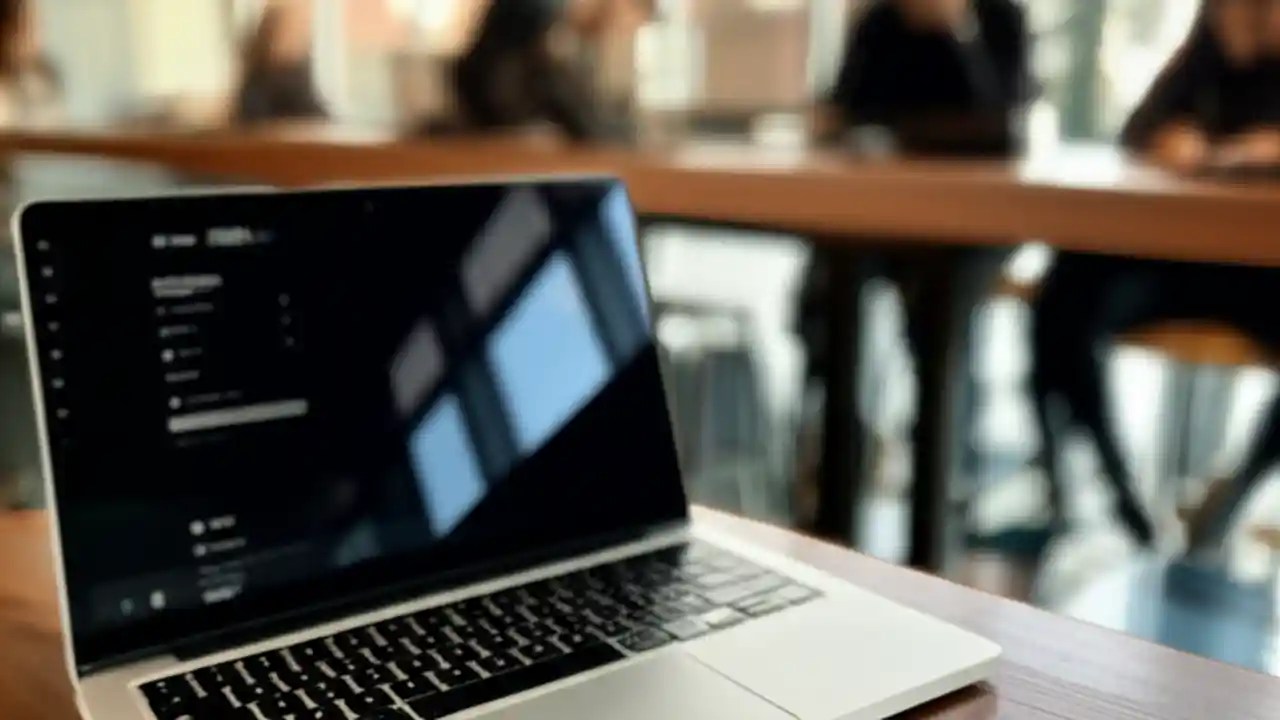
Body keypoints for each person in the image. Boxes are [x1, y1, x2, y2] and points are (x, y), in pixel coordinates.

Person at [1032, 0, 1280, 550]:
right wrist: (1172, 140)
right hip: (1176, 265)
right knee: (1065, 291)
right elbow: (1136, 133)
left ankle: (1232, 496)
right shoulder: (1201, 66)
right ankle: (1115, 488)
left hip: (1263, 277)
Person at [795, 0, 1031, 564]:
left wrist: (958, 35)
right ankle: (836, 469)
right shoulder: (880, 22)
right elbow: (842, 114)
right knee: (825, 285)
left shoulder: (999, 19)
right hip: (883, 218)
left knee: (936, 314)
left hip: (976, 224)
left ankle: (947, 488)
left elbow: (1005, 129)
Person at [447, 0, 652, 141]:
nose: (612, 35)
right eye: (620, 26)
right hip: (490, 117)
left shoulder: (562, 26)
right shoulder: (547, 12)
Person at [233, 1, 327, 125]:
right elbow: (254, 122)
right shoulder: (259, 79)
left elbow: (319, 115)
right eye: (292, 30)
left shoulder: (299, 74)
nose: (299, 39)